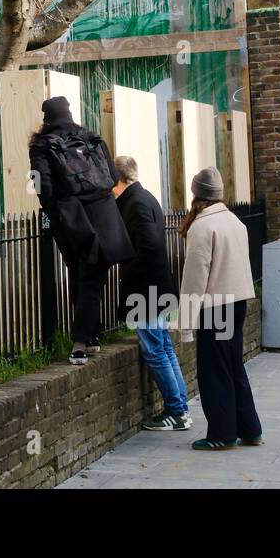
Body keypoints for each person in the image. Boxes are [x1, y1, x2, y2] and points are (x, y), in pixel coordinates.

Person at [29, 96, 135, 365]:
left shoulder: (41, 146)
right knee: (91, 277)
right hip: (103, 214)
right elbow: (112, 177)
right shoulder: (92, 138)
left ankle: (81, 342)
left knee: (81, 275)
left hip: (71, 218)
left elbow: (42, 187)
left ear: (47, 119)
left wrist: (57, 210)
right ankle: (89, 337)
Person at [179, 167, 262, 451]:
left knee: (214, 371)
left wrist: (186, 324)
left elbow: (194, 280)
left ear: (196, 195)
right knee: (234, 366)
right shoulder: (235, 223)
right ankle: (250, 428)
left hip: (215, 308)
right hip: (237, 303)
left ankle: (222, 433)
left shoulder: (202, 227)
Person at [113, 156, 189, 431]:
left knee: (155, 351)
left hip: (146, 291)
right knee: (164, 348)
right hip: (157, 287)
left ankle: (176, 410)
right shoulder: (147, 198)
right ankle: (180, 407)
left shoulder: (135, 204)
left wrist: (131, 274)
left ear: (118, 179)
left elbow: (149, 246)